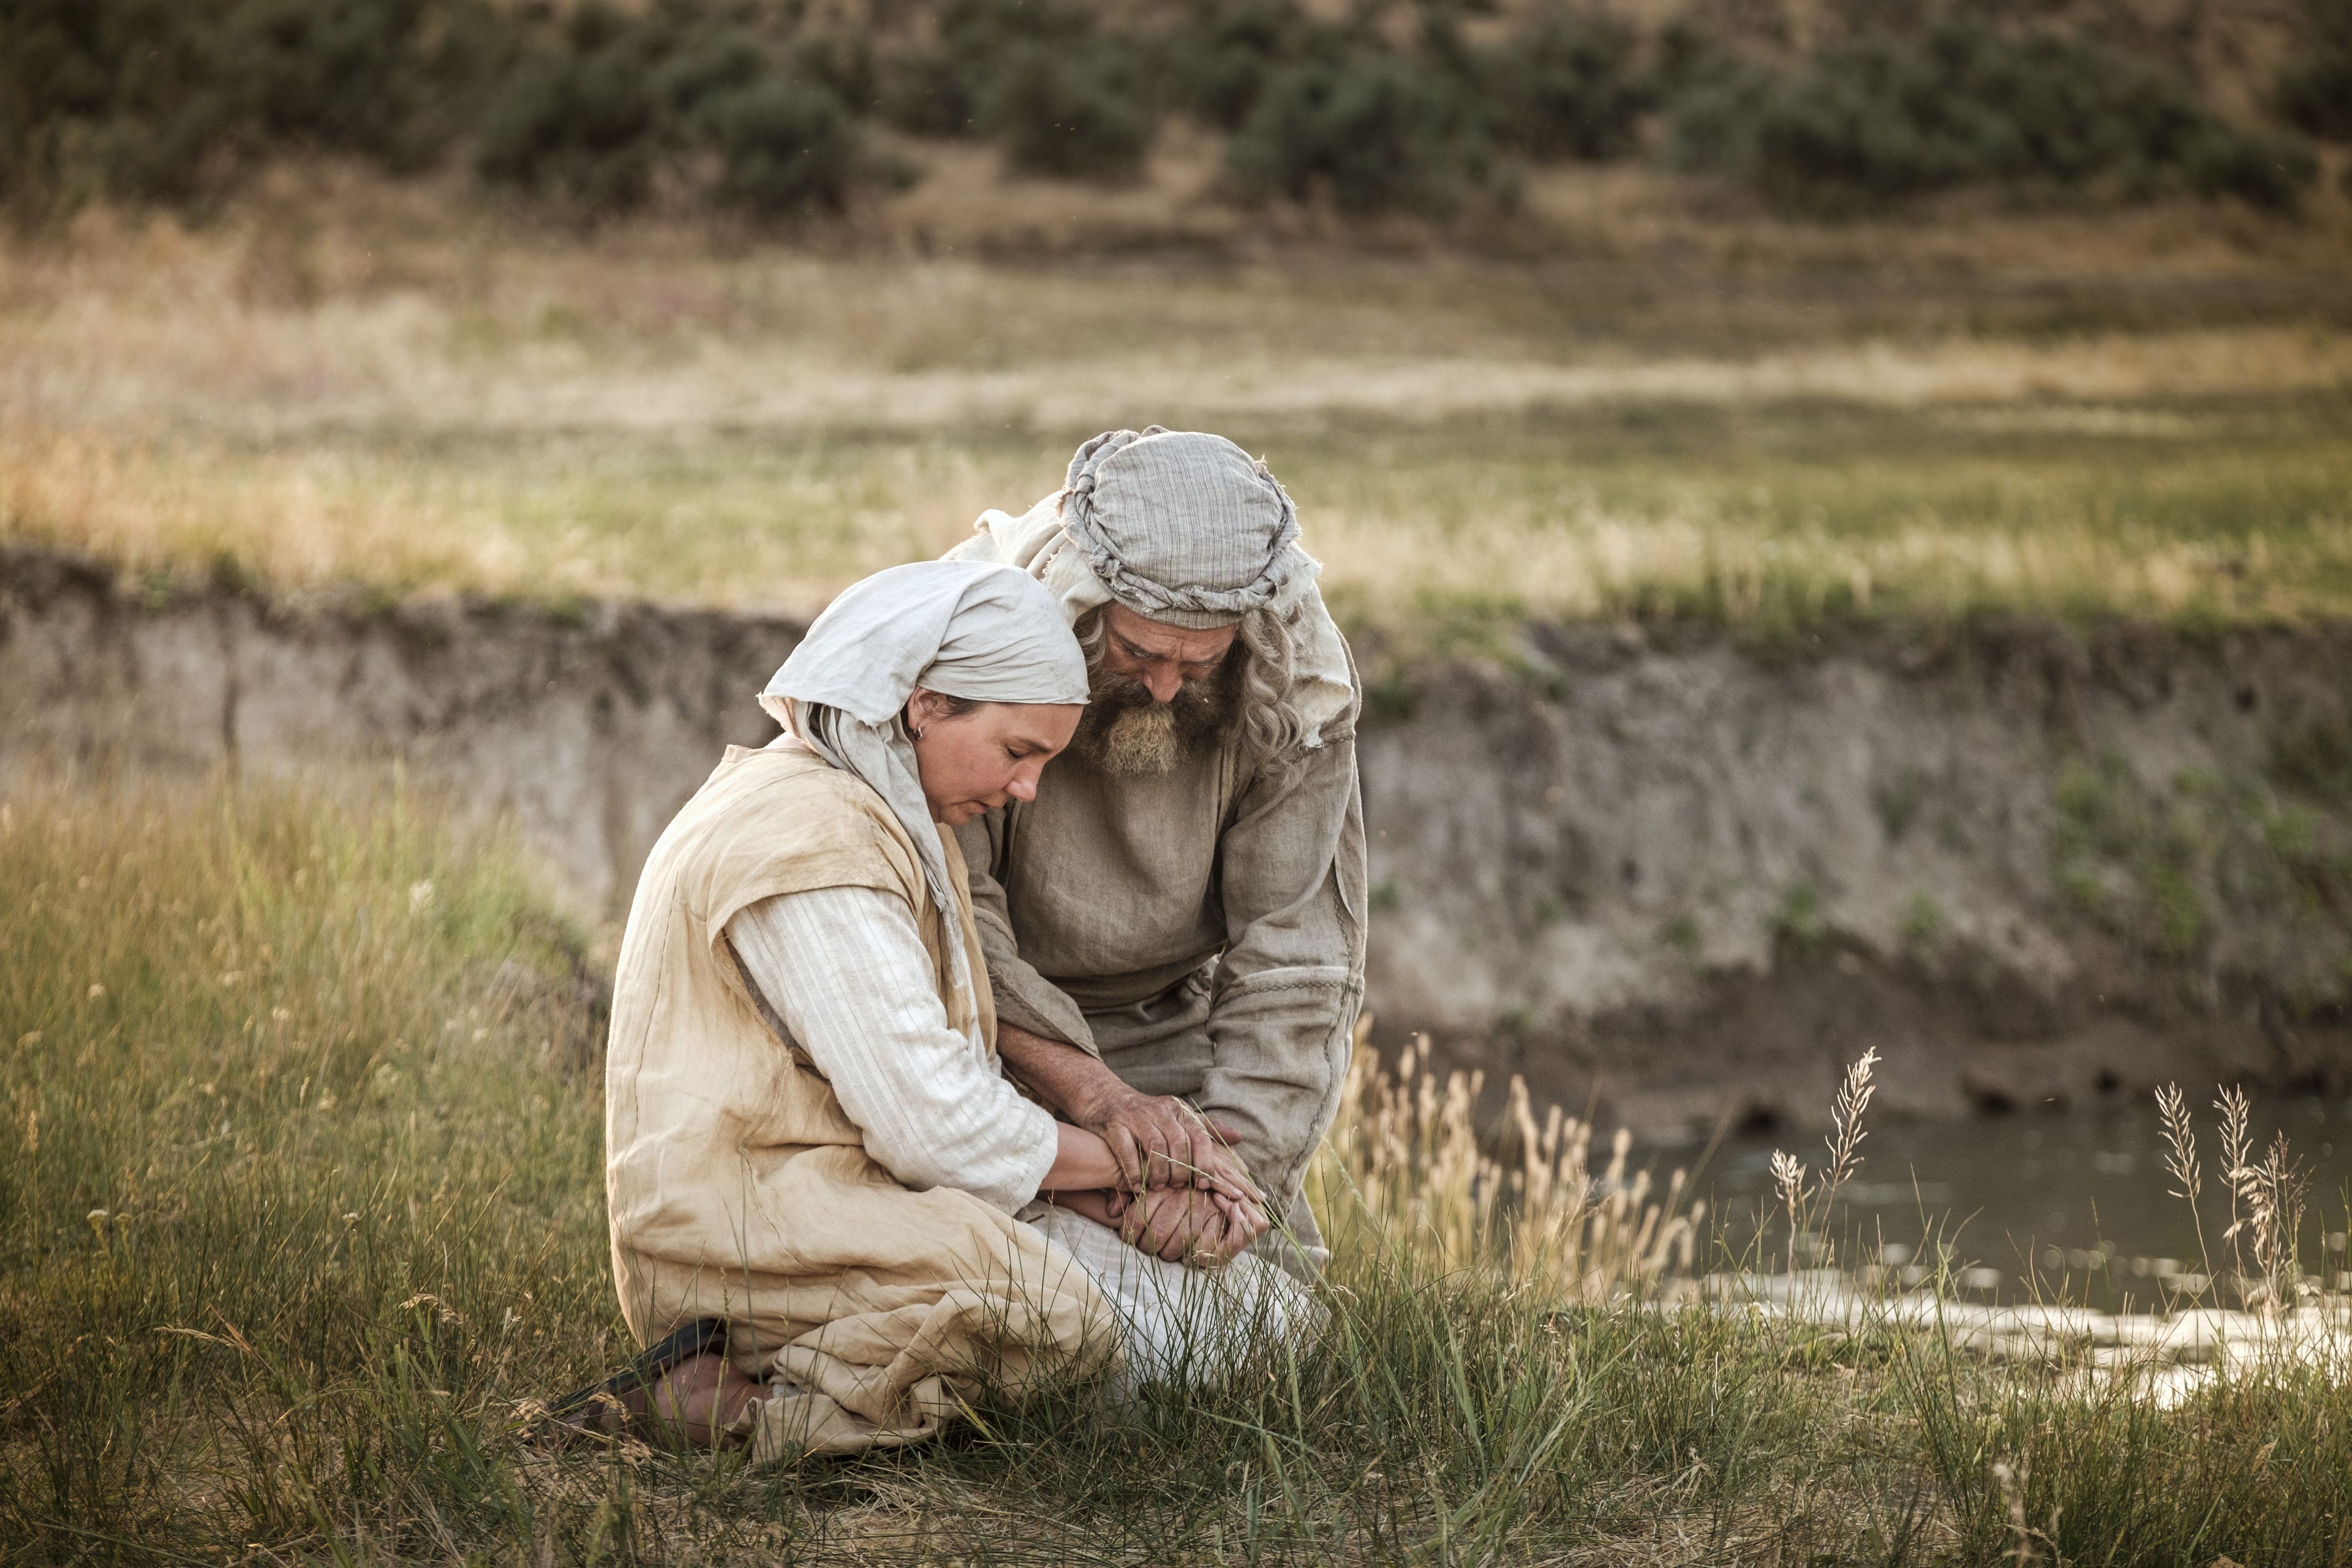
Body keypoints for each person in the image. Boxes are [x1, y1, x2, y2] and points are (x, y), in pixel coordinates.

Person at [586, 559, 1303, 1461]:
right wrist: (1143, 1172)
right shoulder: (807, 841)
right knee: (1074, 1335)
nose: (1027, 790)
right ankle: (717, 1404)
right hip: (754, 1230)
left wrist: (1127, 1188)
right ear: (924, 705)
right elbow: (933, 1124)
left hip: (870, 1197)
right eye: (1017, 753)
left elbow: (938, 1114)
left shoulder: (890, 813)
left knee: (1269, 1325)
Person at [947, 427, 1367, 1276]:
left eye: (1200, 661)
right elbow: (953, 916)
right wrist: (1091, 1098)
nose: (1167, 688)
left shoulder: (1299, 684)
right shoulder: (978, 638)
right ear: (1085, 607)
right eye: (1137, 653)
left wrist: (1232, 1167)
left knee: (1272, 1309)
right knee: (1007, 1289)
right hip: (978, 1028)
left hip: (1170, 1032)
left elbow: (1298, 959)